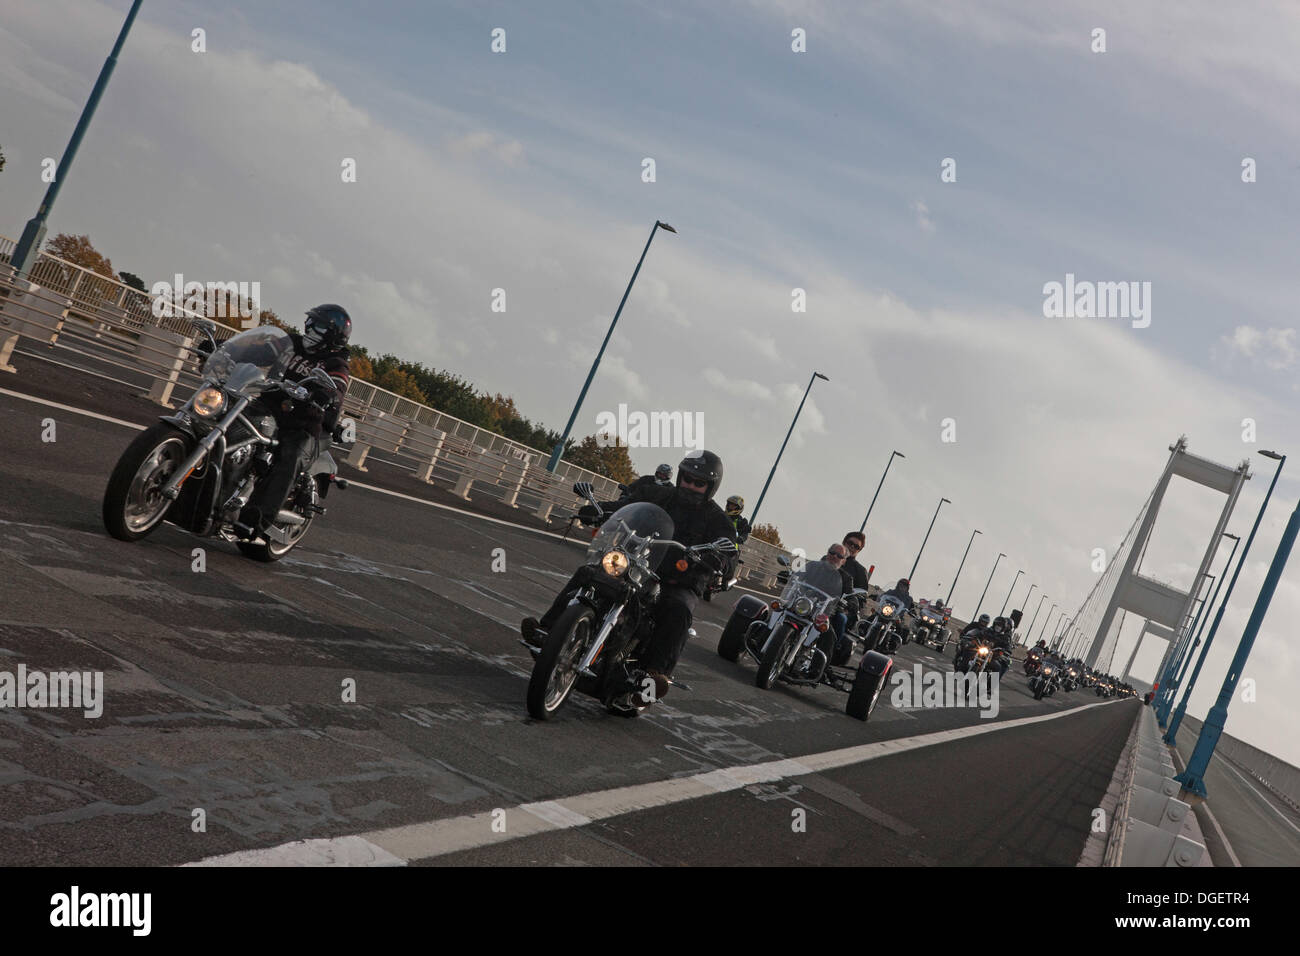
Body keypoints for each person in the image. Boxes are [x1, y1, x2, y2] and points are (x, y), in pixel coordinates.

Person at [521, 449, 737, 701]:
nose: (691, 485)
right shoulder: (660, 494)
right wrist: (600, 510)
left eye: (699, 483)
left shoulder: (717, 519)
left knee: (679, 609)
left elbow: (730, 550)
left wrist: (719, 558)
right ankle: (547, 630)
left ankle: (654, 675)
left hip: (679, 579)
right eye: (687, 478)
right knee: (589, 573)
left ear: (710, 486)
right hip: (638, 563)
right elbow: (628, 505)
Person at [238, 304, 351, 537]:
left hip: (301, 423)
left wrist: (327, 393)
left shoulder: (336, 362)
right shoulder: (291, 343)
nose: (309, 328)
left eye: (317, 326)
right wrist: (226, 349)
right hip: (267, 406)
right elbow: (259, 352)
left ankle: (257, 518)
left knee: (290, 458)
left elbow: (339, 385)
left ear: (332, 335)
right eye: (310, 323)